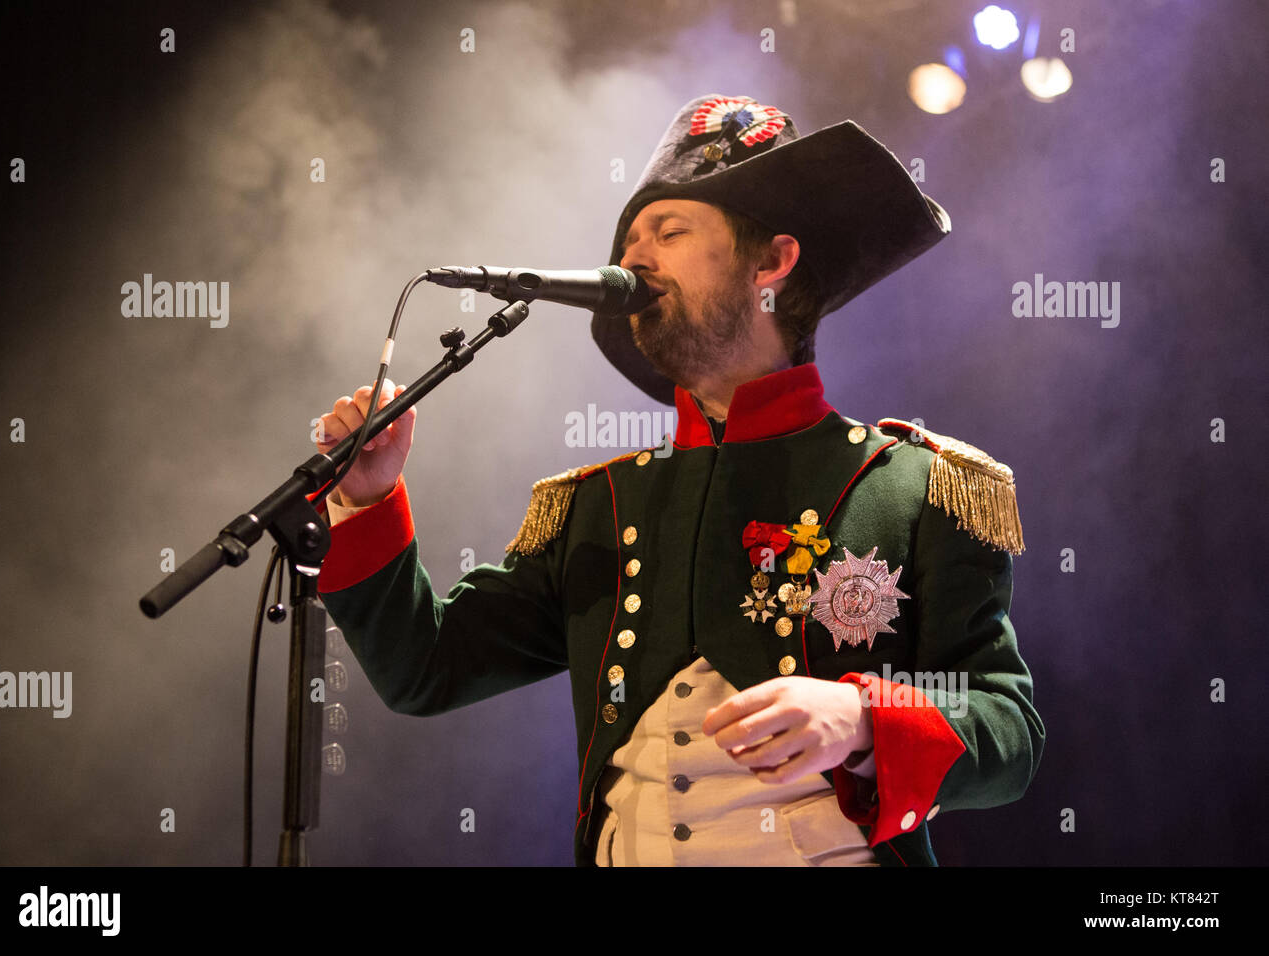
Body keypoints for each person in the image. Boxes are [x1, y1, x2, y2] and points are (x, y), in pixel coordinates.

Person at [313, 95, 1044, 866]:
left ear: (771, 263)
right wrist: (366, 498)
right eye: (630, 240)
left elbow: (1011, 732)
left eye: (670, 232)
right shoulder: (600, 505)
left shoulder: (917, 488)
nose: (635, 260)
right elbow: (426, 670)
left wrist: (862, 718)